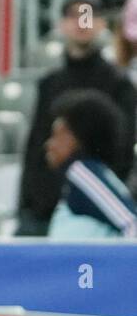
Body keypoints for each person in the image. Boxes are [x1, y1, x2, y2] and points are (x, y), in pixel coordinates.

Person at [20, 0, 137, 233]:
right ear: (61, 24)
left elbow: (124, 146)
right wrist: (29, 202)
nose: (82, 23)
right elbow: (36, 145)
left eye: (88, 15)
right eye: (74, 16)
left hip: (98, 206)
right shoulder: (49, 84)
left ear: (102, 24)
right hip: (46, 207)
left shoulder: (119, 83)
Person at [43, 90, 137, 238]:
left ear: (78, 138)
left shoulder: (82, 172)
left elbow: (132, 225)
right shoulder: (88, 175)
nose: (49, 145)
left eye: (57, 135)